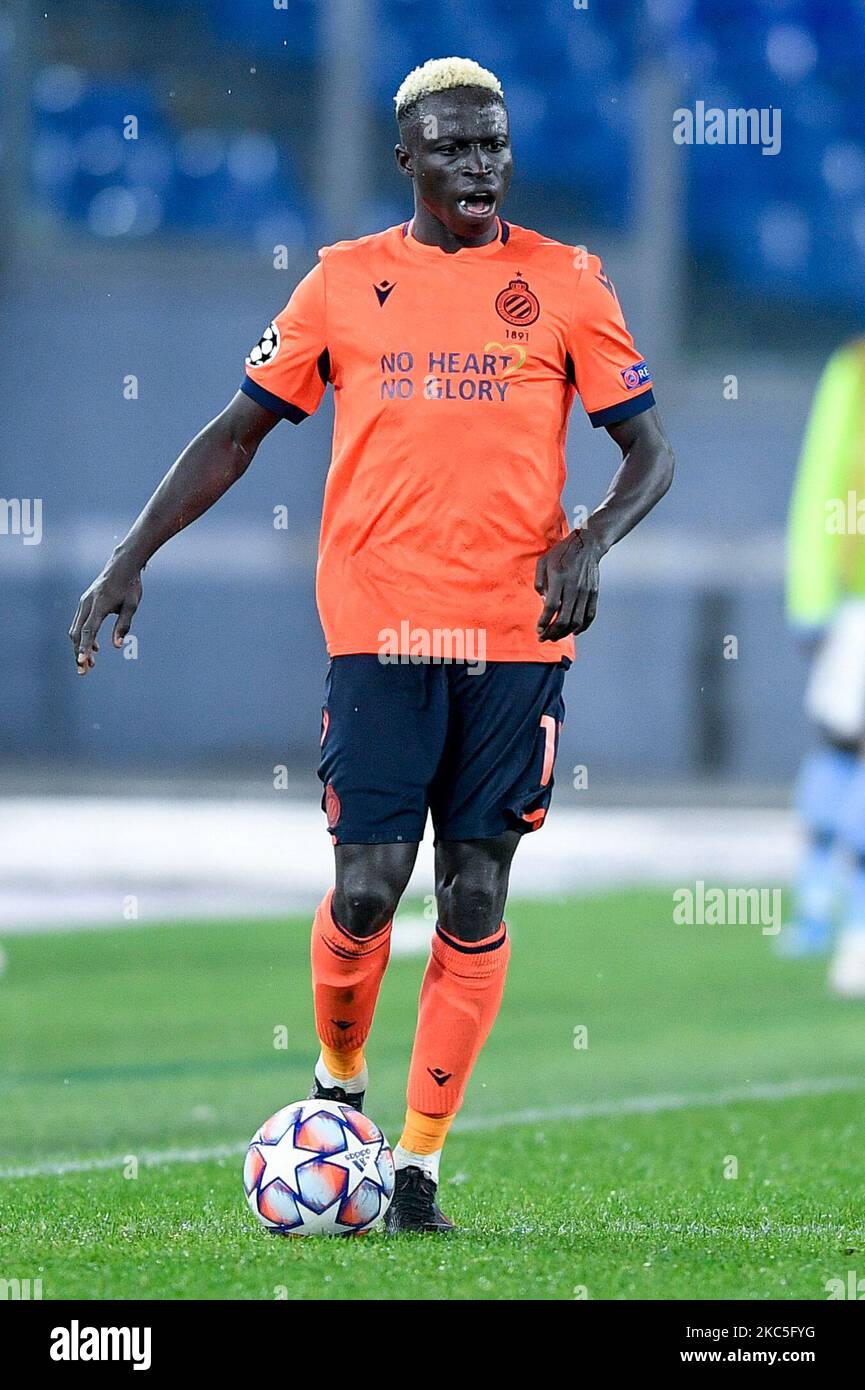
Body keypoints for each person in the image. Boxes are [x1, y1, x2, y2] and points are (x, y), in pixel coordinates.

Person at [69, 57, 674, 1231]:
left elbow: (650, 452)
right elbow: (238, 433)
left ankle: (416, 1169)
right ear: (407, 159)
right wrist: (130, 553)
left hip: (516, 632)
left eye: (493, 143)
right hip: (382, 622)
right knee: (364, 887)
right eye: (453, 146)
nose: (480, 165)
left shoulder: (567, 282)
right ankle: (338, 1083)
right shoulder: (345, 284)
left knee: (473, 890)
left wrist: (590, 540)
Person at [785, 336, 865, 996]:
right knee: (840, 742)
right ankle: (820, 900)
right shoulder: (851, 370)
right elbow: (821, 481)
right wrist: (810, 596)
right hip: (855, 603)